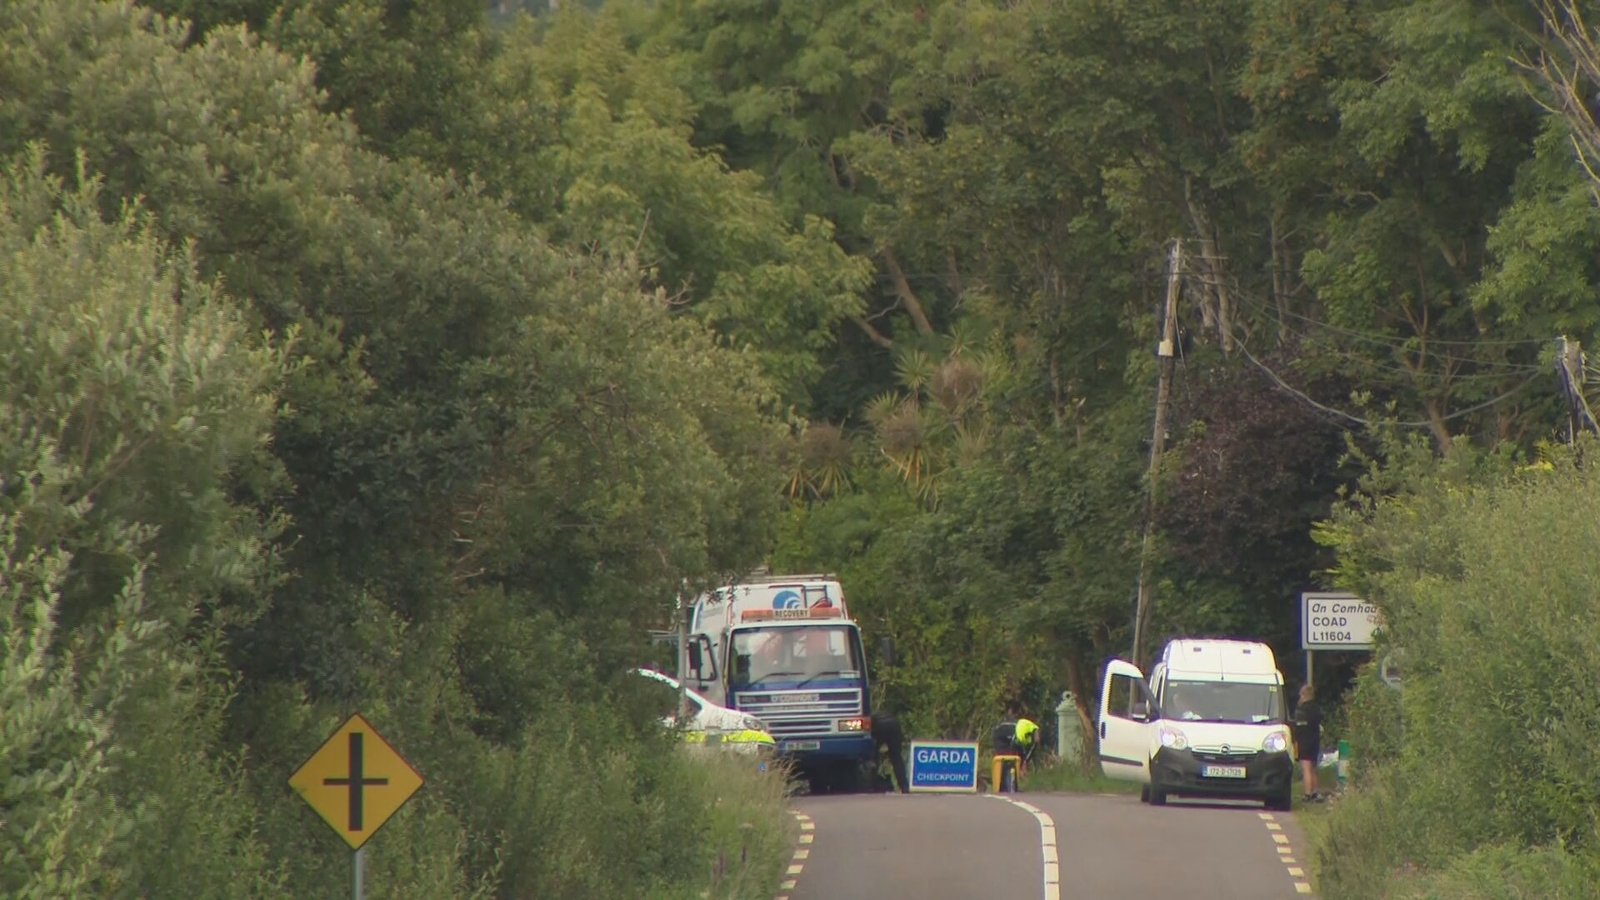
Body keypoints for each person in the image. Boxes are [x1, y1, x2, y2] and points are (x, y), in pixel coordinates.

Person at [1292, 683, 1323, 802]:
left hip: (1303, 741)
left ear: (1304, 695)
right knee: (1313, 768)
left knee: (1306, 768)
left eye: (1301, 695)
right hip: (1315, 741)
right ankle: (1315, 792)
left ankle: (1307, 794)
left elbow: (1298, 727)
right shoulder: (1316, 709)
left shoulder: (1301, 710)